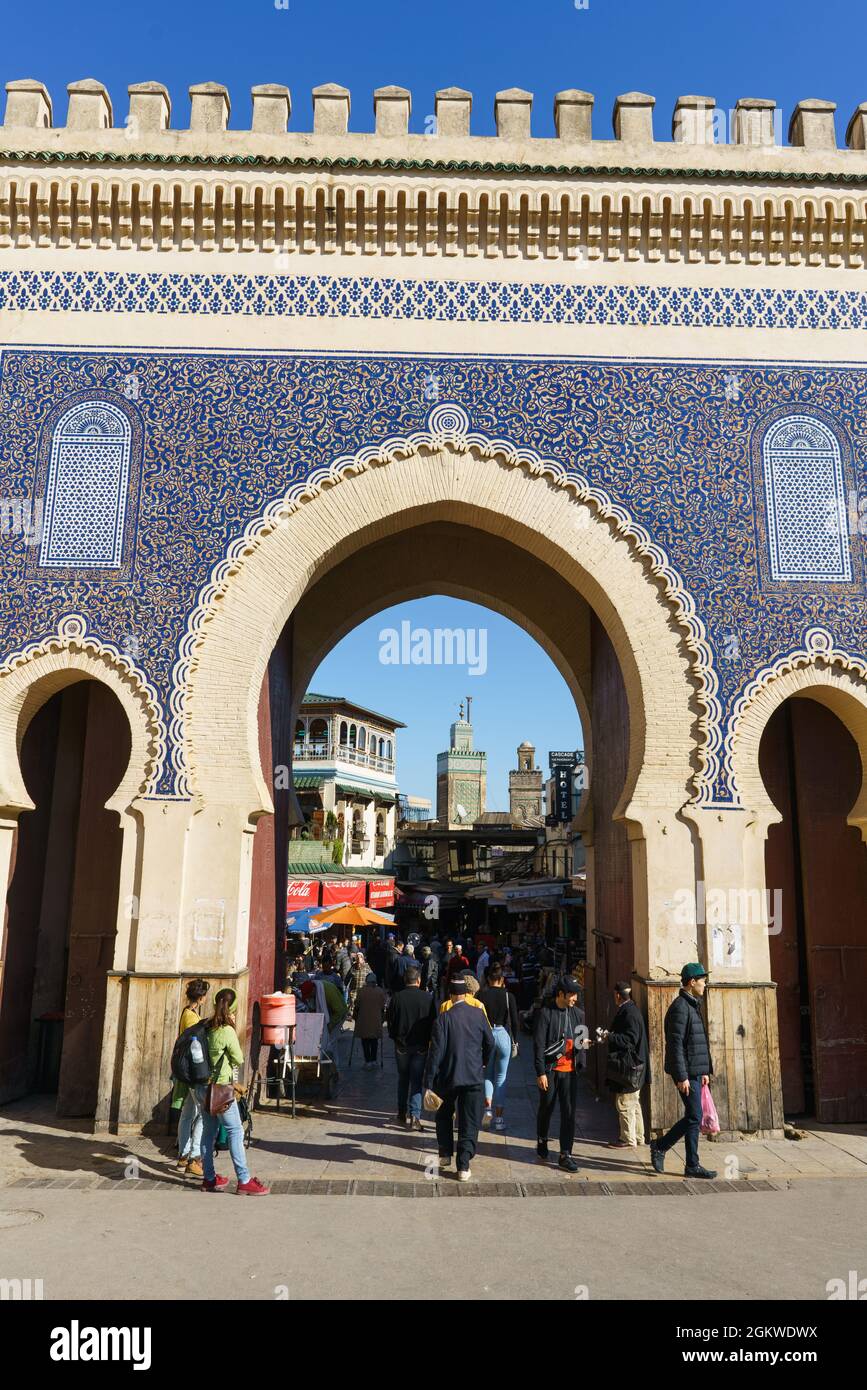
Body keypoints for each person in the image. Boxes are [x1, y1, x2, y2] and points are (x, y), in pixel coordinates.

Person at [198, 988, 269, 1195]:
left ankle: (209, 1178)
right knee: (235, 1131)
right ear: (233, 1008)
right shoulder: (227, 1031)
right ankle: (244, 1179)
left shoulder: (206, 1027)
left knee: (208, 1132)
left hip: (203, 1088)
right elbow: (238, 1058)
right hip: (221, 1089)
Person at [423, 975, 494, 1181]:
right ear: (466, 993)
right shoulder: (479, 1014)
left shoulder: (444, 1018)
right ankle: (463, 1165)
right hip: (473, 1075)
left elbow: (435, 1052)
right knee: (469, 1120)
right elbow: (490, 1042)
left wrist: (428, 1081)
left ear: (451, 996)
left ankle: (445, 1152)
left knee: (444, 1113)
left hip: (448, 1075)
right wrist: (483, 1062)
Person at [650, 964, 717, 1180]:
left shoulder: (692, 1004)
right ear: (691, 982)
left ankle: (692, 1165)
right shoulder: (680, 1007)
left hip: (695, 1071)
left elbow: (696, 1041)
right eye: (702, 980)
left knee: (693, 1116)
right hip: (685, 1073)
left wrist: (704, 1070)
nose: (705, 984)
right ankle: (660, 1146)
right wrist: (682, 1076)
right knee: (695, 1115)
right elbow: (675, 1044)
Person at [533, 975, 591, 1174]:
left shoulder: (579, 1015)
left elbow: (582, 1042)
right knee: (546, 1108)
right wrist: (540, 1072)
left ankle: (566, 1154)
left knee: (568, 1113)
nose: (575, 998)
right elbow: (539, 1045)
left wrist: (583, 1047)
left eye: (576, 994)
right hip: (550, 1071)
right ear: (561, 994)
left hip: (570, 1072)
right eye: (572, 994)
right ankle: (542, 1138)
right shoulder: (546, 1014)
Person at [599, 981, 650, 1148]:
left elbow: (629, 1040)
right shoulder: (631, 1010)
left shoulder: (629, 1013)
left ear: (618, 995)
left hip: (629, 1068)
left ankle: (628, 1139)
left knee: (624, 1103)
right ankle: (638, 1137)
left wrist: (609, 1036)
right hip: (635, 1067)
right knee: (634, 1103)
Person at [387, 965, 436, 1129]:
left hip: (402, 1046)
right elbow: (432, 1023)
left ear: (405, 980)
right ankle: (415, 1116)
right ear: (419, 980)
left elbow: (390, 1022)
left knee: (403, 1079)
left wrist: (395, 1038)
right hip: (421, 1046)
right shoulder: (427, 998)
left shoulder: (397, 998)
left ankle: (401, 1113)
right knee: (416, 1081)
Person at [173, 977, 210, 1177]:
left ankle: (183, 1155)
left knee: (188, 1112)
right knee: (202, 1114)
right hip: (193, 1071)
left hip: (185, 1070)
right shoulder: (192, 1019)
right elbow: (195, 1047)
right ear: (201, 997)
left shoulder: (189, 1013)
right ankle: (194, 1157)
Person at [477, 964, 519, 1131]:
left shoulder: (481, 995)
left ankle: (487, 1108)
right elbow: (515, 1022)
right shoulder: (509, 997)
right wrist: (515, 1041)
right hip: (503, 1035)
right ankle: (500, 1119)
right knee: (501, 1078)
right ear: (502, 980)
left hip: (486, 1035)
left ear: (488, 979)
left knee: (487, 1075)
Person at [354, 972, 387, 1068]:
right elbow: (382, 1005)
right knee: (374, 1040)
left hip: (364, 1019)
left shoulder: (361, 991)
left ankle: (368, 1060)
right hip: (376, 1019)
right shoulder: (380, 991)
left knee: (365, 1040)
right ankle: (373, 1059)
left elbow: (357, 1004)